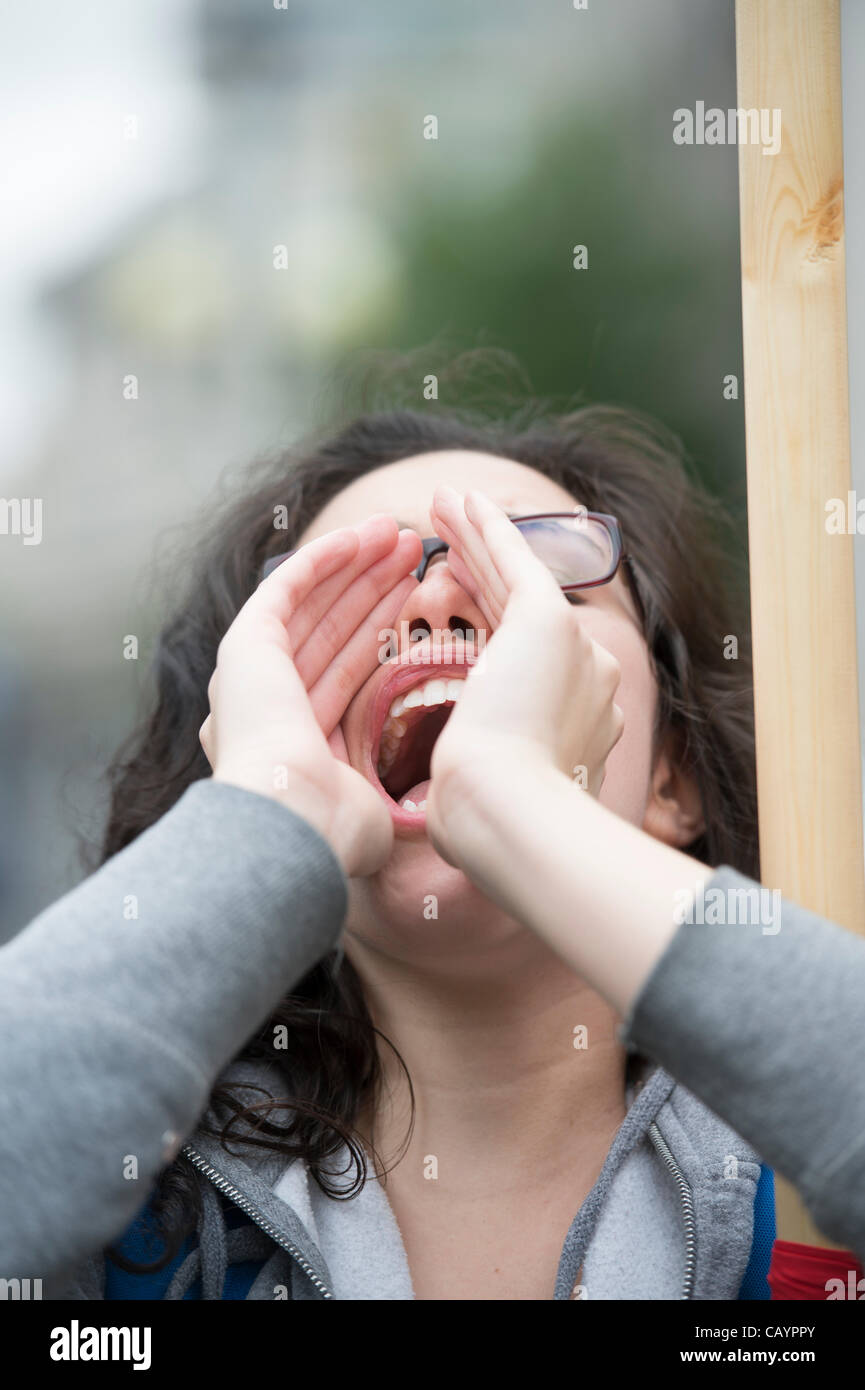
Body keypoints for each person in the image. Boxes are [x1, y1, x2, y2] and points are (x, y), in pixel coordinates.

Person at [1, 403, 777, 1300]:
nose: (437, 597)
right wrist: (269, 816)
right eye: (352, 595)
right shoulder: (133, 1231)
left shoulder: (800, 1203)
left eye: (542, 577)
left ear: (670, 781)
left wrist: (534, 817)